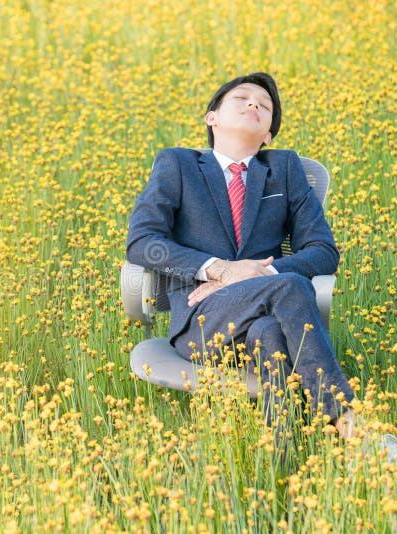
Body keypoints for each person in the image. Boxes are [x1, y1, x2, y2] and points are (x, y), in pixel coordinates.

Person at [125, 72, 359, 440]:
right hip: (202, 324)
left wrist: (255, 275)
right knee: (289, 287)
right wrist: (219, 270)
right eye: (242, 98)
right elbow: (142, 242)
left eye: (265, 106)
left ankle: (282, 456)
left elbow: (323, 251)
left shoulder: (285, 169)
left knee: (271, 332)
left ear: (267, 136)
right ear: (212, 117)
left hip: (267, 317)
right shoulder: (178, 164)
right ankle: (347, 421)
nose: (254, 104)